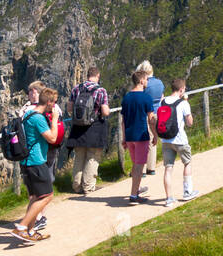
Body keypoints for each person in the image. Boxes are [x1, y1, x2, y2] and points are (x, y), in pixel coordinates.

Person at [12, 88, 63, 243]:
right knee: (47, 196)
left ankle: (30, 230)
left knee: (35, 197)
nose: (54, 107)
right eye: (53, 103)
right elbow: (53, 138)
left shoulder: (28, 113)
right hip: (36, 162)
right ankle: (21, 227)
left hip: (27, 162)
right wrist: (54, 120)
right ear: (48, 102)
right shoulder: (39, 119)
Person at [65, 66, 110, 194]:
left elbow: (69, 108)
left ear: (87, 75)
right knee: (92, 157)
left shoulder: (76, 88)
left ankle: (76, 186)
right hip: (94, 128)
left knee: (79, 156)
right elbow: (105, 112)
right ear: (98, 76)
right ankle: (88, 186)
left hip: (78, 128)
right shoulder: (101, 90)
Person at [156, 78, 196, 207]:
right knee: (187, 163)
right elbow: (190, 123)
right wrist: (187, 105)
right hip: (180, 139)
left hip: (166, 140)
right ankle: (187, 192)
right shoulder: (183, 103)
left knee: (168, 168)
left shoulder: (163, 101)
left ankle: (169, 198)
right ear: (181, 90)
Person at [120, 70, 157, 204]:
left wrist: (124, 138)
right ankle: (134, 195)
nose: (147, 82)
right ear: (141, 81)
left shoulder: (126, 98)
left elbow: (123, 121)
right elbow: (151, 119)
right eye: (146, 79)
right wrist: (155, 134)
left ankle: (137, 188)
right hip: (141, 136)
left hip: (129, 136)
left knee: (136, 164)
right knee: (139, 166)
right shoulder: (146, 98)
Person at [137, 61, 163, 181]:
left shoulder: (145, 84)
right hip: (157, 114)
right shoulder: (160, 83)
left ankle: (141, 170)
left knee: (143, 141)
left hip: (145, 114)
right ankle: (151, 168)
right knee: (153, 139)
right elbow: (162, 97)